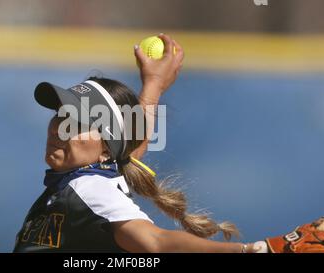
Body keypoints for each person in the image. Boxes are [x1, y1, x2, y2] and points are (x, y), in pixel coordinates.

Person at [13, 34, 260, 253]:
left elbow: (155, 242)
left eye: (78, 124)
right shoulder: (88, 178)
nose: (59, 128)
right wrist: (153, 85)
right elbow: (129, 150)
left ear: (105, 150)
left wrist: (247, 251)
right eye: (60, 115)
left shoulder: (89, 188)